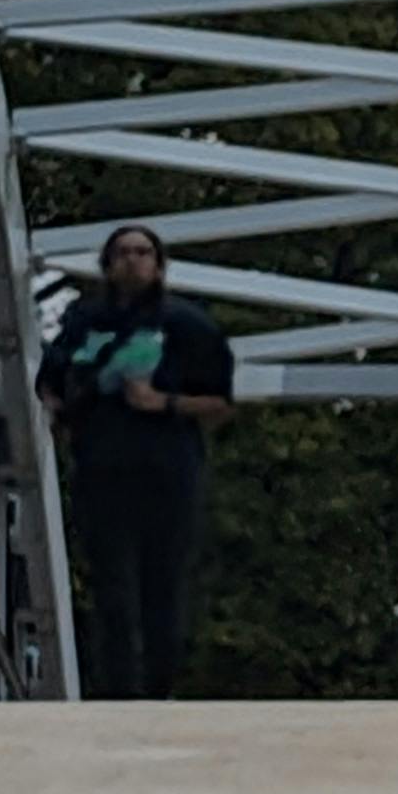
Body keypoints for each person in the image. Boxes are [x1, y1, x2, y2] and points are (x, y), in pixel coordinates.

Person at [40, 217, 236, 695]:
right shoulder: (84, 322)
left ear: (160, 265)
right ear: (107, 265)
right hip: (101, 470)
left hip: (167, 472)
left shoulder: (188, 325)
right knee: (112, 593)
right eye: (123, 252)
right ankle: (120, 698)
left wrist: (165, 403)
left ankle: (159, 691)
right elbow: (49, 381)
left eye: (142, 252)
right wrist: (59, 415)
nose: (133, 260)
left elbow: (222, 402)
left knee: (162, 588)